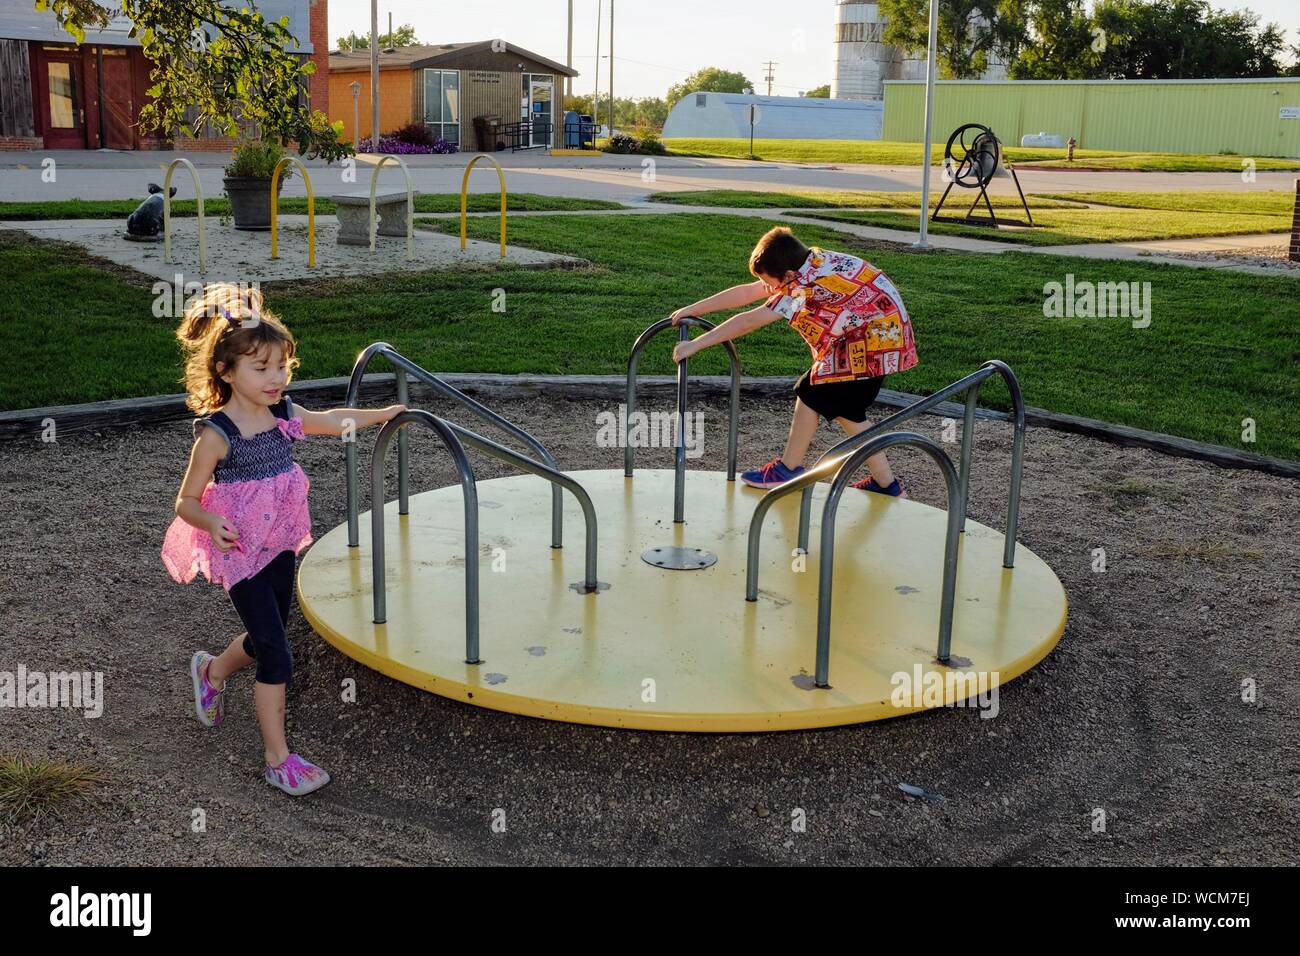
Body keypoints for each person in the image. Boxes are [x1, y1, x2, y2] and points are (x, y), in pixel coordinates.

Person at [161, 283, 406, 796]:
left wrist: (381, 415)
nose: (276, 378)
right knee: (277, 654)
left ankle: (210, 671)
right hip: (242, 553)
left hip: (280, 545)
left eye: (282, 366)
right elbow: (186, 501)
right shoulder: (217, 435)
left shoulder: (283, 414)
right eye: (262, 368)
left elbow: (332, 421)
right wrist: (209, 523)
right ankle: (278, 758)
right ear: (226, 371)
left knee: (262, 636)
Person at [670, 226, 918, 494]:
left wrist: (696, 344)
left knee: (810, 392)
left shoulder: (801, 287)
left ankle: (788, 469)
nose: (769, 288)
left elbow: (749, 321)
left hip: (869, 343)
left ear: (787, 276)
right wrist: (695, 308)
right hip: (879, 338)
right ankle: (888, 485)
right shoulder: (809, 262)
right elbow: (747, 292)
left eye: (772, 283)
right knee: (847, 412)